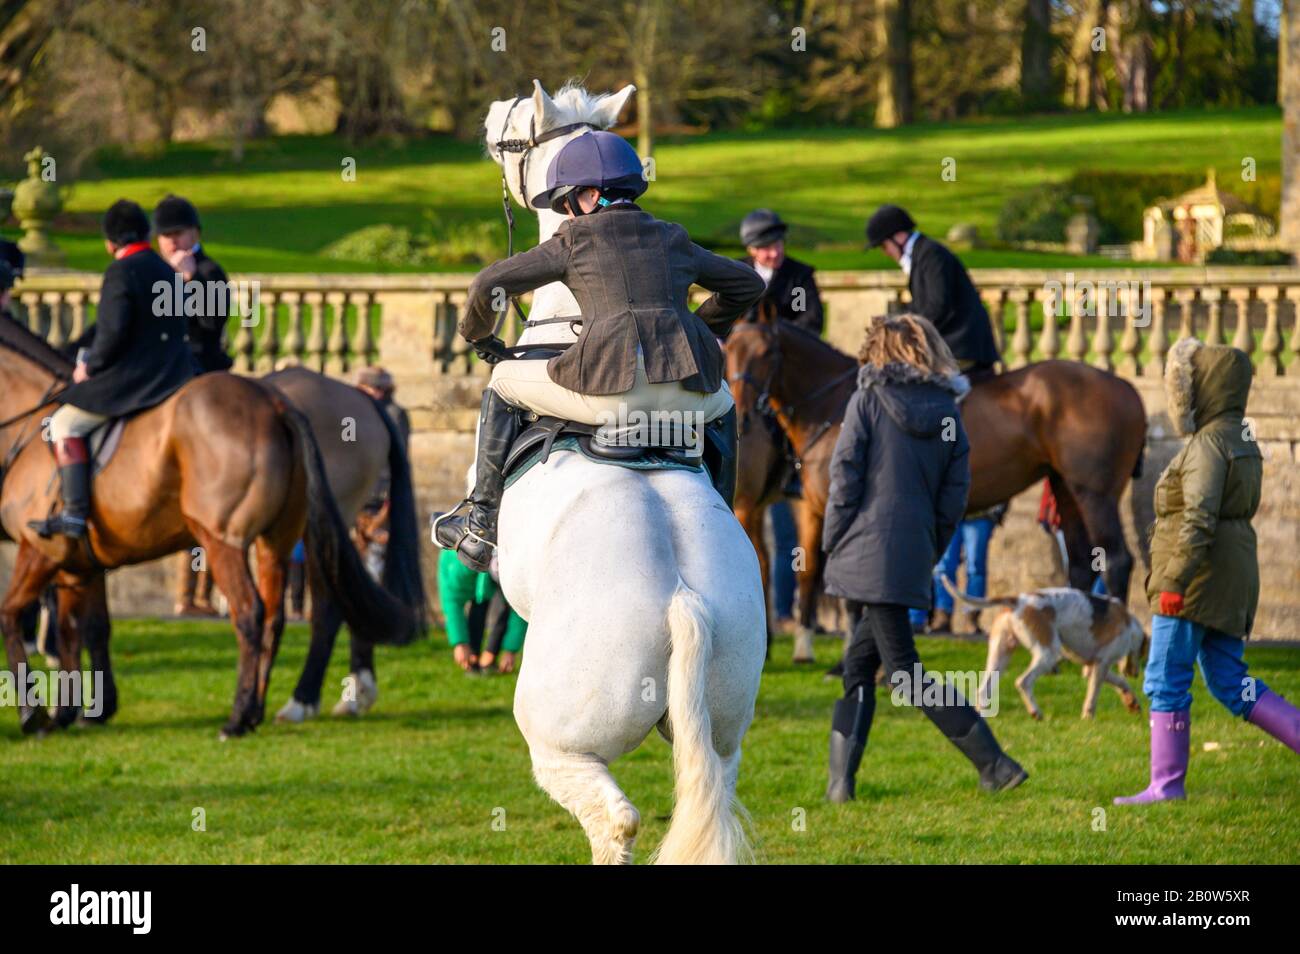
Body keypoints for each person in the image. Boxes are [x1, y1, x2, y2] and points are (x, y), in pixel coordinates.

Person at [434, 130, 764, 571]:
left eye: (567, 203)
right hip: (685, 393)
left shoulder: (574, 240)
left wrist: (480, 337)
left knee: (503, 384)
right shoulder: (672, 237)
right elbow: (748, 284)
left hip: (607, 393)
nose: (568, 215)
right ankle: (722, 518)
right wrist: (697, 329)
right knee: (723, 405)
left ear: (587, 195)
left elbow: (486, 284)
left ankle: (480, 524)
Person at [821, 312, 1027, 801]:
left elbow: (844, 476)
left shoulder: (866, 401)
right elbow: (956, 490)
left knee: (905, 674)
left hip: (866, 551)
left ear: (878, 352)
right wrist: (930, 544)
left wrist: (833, 540)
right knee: (858, 666)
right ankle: (839, 787)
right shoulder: (950, 413)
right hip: (911, 550)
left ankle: (995, 764)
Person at [1115, 338, 1299, 805]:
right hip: (1232, 575)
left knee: (1164, 676)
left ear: (1203, 388)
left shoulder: (1208, 445)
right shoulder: (1242, 437)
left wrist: (1174, 581)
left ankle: (1166, 785)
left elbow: (1197, 517)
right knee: (1228, 681)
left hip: (1195, 580)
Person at [29, 200, 194, 540]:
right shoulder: (168, 272)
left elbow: (112, 333)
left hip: (139, 379)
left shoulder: (121, 271)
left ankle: (74, 512)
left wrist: (89, 366)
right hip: (178, 373)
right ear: (147, 234)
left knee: (63, 423)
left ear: (109, 243)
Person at [737, 209, 825, 629]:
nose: (774, 253)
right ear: (751, 250)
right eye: (766, 247)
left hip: (784, 375)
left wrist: (771, 338)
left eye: (777, 245)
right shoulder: (735, 273)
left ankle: (793, 466)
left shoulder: (800, 277)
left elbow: (812, 324)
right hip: (744, 377)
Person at [865, 205, 1000, 377]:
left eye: (884, 246)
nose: (886, 253)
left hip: (961, 345)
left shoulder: (932, 255)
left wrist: (903, 334)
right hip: (949, 342)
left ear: (899, 236)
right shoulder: (922, 254)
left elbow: (937, 307)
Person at [913, 503, 1007, 635]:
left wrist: (997, 511)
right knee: (943, 568)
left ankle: (972, 618)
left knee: (975, 569)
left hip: (981, 514)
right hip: (949, 514)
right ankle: (943, 616)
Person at [437, 547, 526, 674]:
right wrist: (460, 643)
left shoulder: (509, 564)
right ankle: (475, 656)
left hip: (502, 557)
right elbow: (452, 601)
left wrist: (510, 649)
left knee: (508, 601)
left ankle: (488, 655)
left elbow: (519, 603)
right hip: (471, 561)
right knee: (480, 602)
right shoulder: (456, 566)